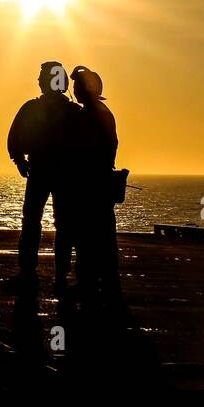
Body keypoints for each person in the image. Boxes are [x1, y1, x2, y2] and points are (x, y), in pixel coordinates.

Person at [6, 61, 80, 292]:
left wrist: (19, 161)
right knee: (56, 223)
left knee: (39, 222)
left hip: (47, 172)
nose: (38, 81)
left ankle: (34, 272)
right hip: (53, 172)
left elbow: (14, 137)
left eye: (42, 77)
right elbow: (16, 137)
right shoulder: (73, 112)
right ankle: (55, 273)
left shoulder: (38, 109)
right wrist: (19, 159)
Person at [69, 66, 120, 301]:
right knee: (103, 236)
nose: (74, 90)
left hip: (89, 185)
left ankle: (90, 282)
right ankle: (105, 282)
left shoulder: (89, 115)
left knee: (88, 236)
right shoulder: (101, 112)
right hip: (99, 183)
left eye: (77, 85)